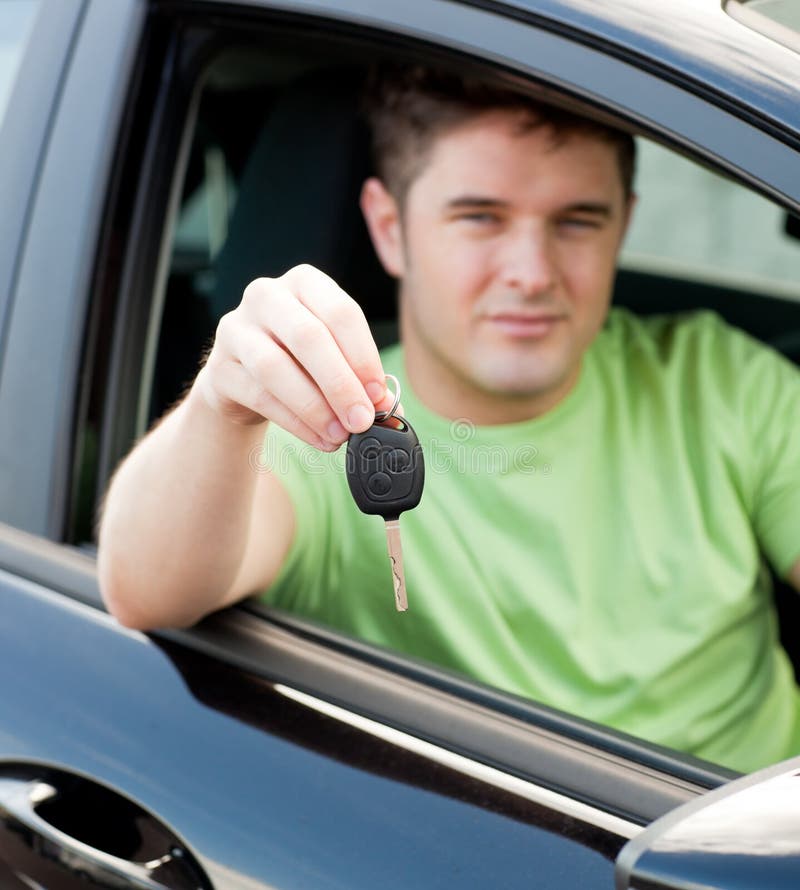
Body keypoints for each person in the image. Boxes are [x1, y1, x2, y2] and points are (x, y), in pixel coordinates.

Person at [98, 66, 800, 774]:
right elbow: (144, 587)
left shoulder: (722, 380)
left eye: (577, 221)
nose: (531, 271)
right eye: (480, 217)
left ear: (622, 225)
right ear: (389, 228)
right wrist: (221, 405)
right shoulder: (321, 422)